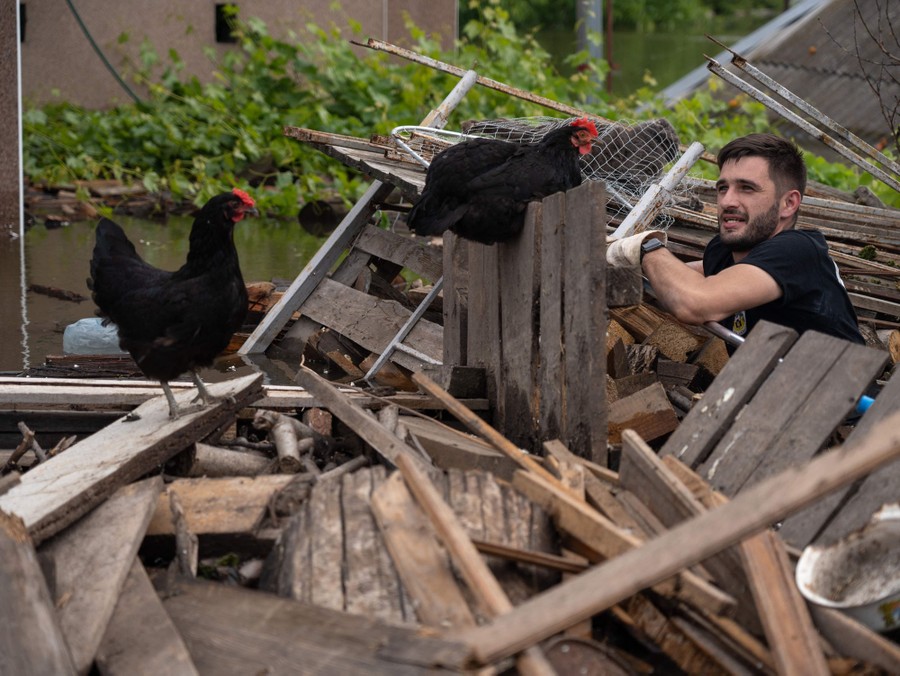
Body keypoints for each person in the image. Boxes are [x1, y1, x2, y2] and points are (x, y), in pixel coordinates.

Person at [607, 133, 864, 350]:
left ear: (789, 203)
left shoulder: (798, 251)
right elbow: (681, 279)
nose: (727, 201)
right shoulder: (724, 252)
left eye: (746, 188)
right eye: (723, 188)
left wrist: (646, 246)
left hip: (848, 407)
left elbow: (694, 302)